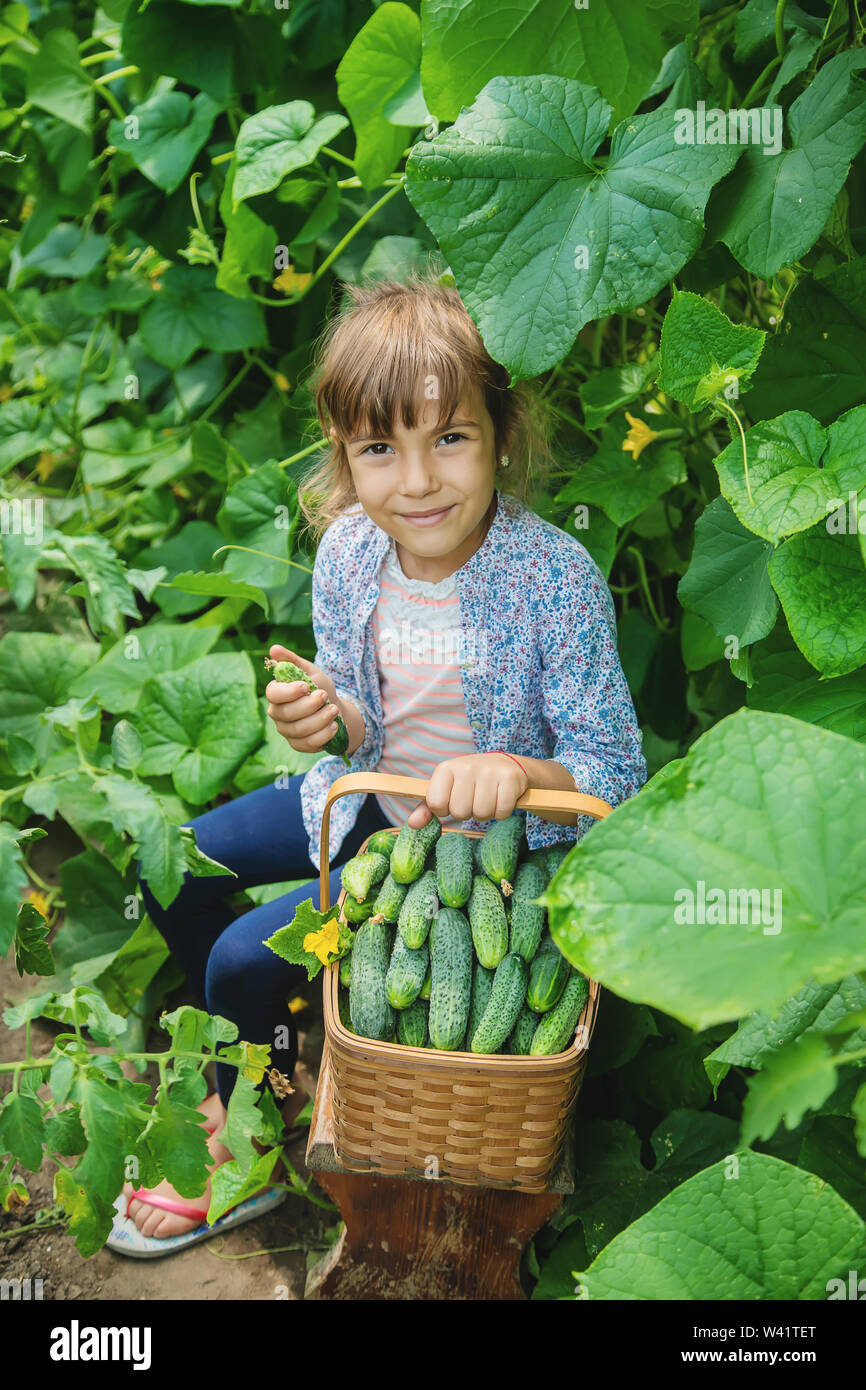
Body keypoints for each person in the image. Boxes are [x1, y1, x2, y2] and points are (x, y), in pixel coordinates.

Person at [109, 268, 646, 1255]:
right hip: (369, 797)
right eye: (377, 449)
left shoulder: (551, 580)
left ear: (500, 431)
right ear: (343, 458)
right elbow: (366, 719)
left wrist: (517, 774)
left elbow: (615, 775)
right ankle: (269, 1060)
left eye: (448, 437)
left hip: (481, 852)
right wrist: (327, 716)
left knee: (239, 959)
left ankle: (249, 1134)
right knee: (171, 867)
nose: (417, 480)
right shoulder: (351, 550)